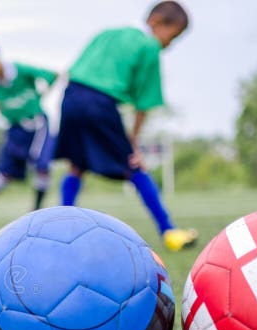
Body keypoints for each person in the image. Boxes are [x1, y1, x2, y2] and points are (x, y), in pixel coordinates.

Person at [54, 1, 197, 251]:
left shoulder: (108, 33)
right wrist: (133, 141)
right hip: (99, 103)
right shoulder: (149, 45)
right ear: (156, 22)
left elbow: (75, 70)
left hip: (70, 97)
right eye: (171, 37)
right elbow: (145, 103)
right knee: (134, 164)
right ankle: (169, 232)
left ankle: (61, 231)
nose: (168, 45)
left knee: (76, 166)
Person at [0, 41, 58, 220]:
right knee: (2, 173)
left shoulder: (20, 71)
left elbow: (53, 75)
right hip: (16, 129)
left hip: (37, 124)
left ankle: (36, 213)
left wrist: (40, 96)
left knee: (42, 167)